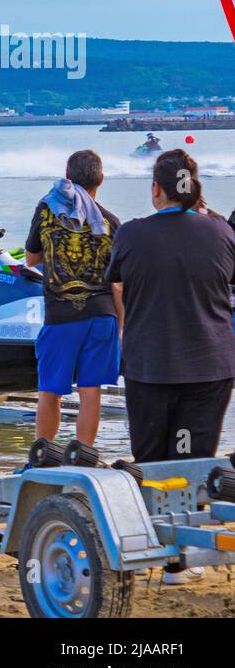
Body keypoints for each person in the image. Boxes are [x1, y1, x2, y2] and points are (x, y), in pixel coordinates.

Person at [105, 150, 235, 585]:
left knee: (152, 459)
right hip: (210, 362)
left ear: (156, 188)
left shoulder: (131, 234)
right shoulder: (220, 231)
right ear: (196, 186)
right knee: (193, 459)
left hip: (150, 363)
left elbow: (116, 280)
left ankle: (161, 552)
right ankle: (183, 559)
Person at [24, 150, 122, 449]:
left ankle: (43, 456)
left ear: (67, 176)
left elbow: (31, 259)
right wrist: (122, 323)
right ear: (101, 180)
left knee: (49, 391)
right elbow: (118, 283)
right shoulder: (111, 222)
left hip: (61, 314)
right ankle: (85, 456)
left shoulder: (46, 210)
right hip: (102, 313)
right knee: (90, 390)